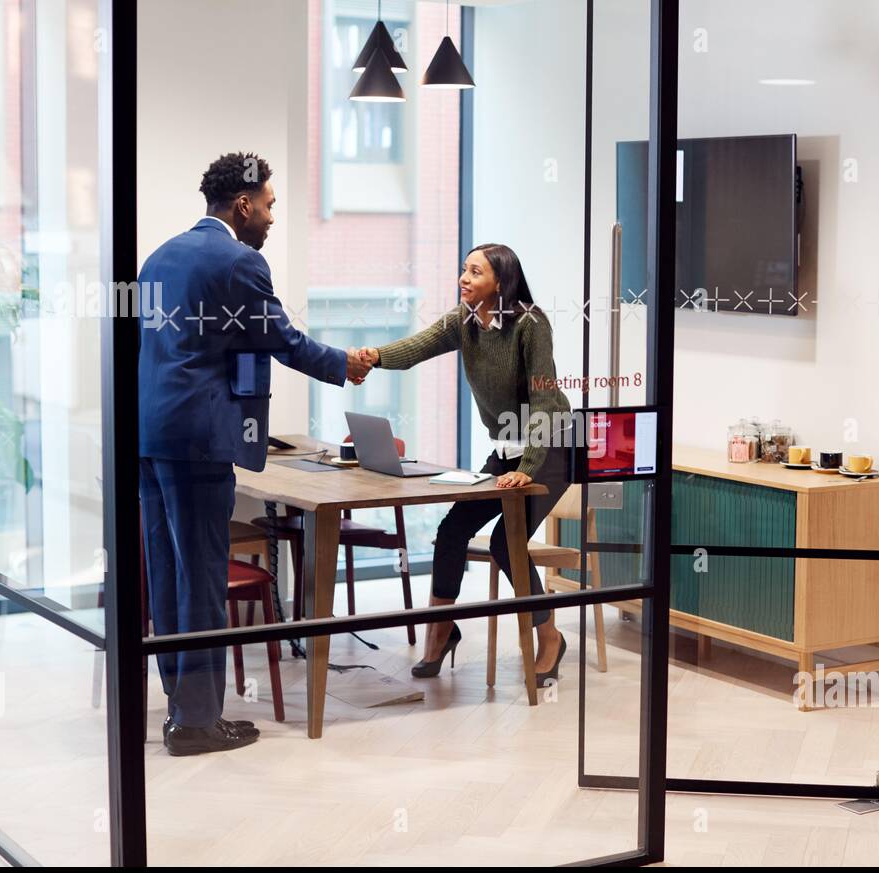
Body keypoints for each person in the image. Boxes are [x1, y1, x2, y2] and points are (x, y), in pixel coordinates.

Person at [138, 152, 373, 756]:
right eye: (268, 206)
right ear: (241, 206)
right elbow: (279, 338)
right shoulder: (241, 260)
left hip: (150, 434)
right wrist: (342, 365)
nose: (271, 218)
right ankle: (196, 723)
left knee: (169, 573)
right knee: (203, 578)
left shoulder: (160, 255)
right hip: (196, 441)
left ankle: (180, 709)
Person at [357, 243, 572, 685]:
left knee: (503, 542)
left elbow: (546, 400)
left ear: (501, 281)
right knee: (452, 529)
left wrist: (528, 468)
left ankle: (549, 636)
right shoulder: (464, 322)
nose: (464, 278)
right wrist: (374, 357)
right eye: (464, 270)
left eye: (475, 272)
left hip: (550, 448)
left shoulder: (531, 325)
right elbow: (418, 346)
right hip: (506, 450)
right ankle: (441, 633)